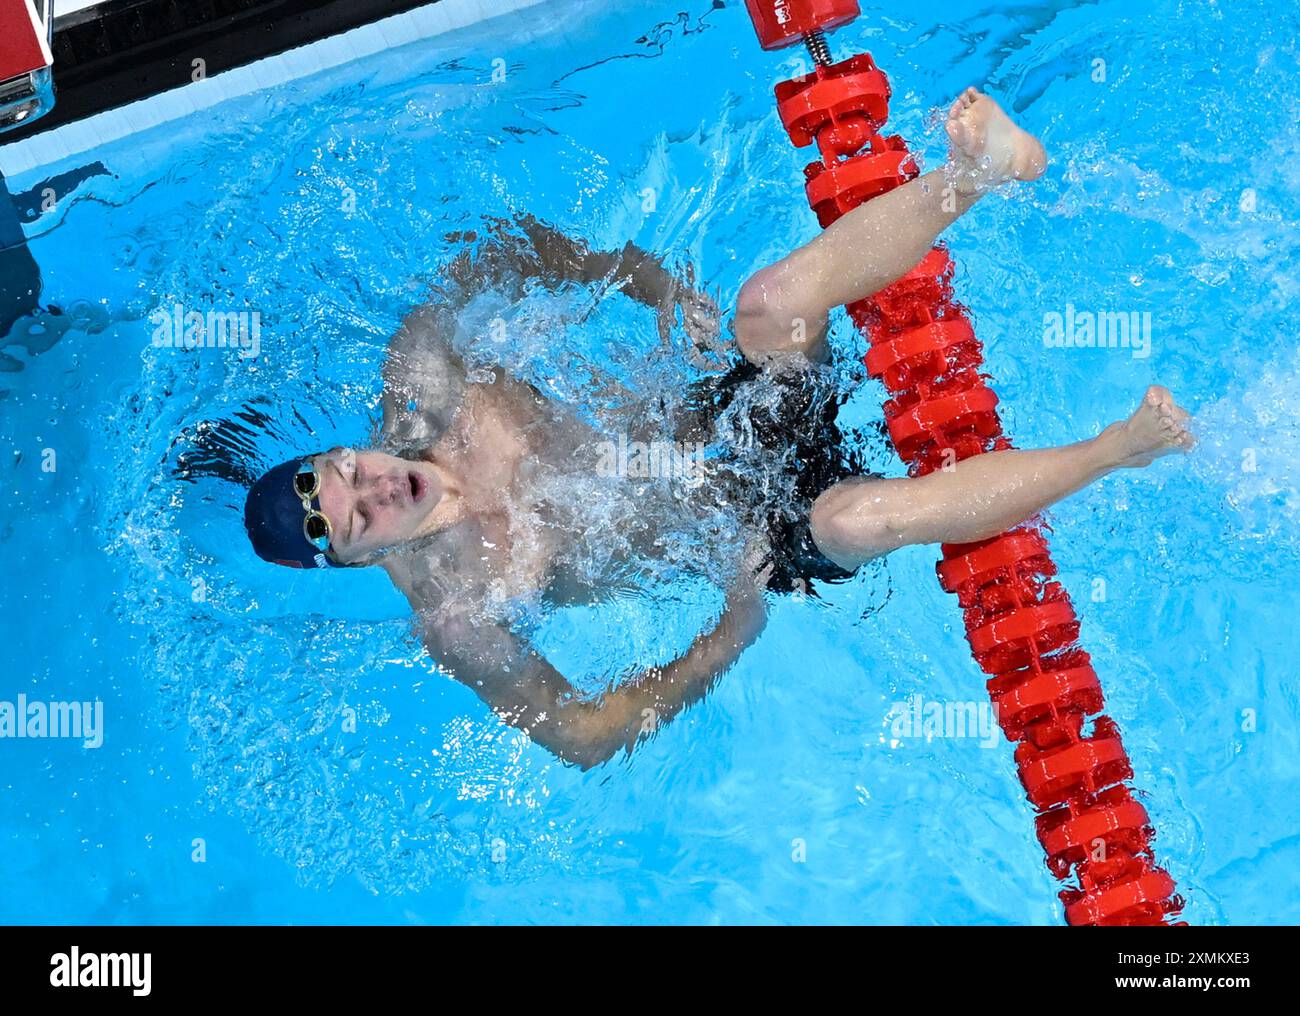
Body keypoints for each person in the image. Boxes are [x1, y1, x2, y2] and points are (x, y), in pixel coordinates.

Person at [244, 89, 1193, 768]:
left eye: (351, 470)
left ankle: (972, 175)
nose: (377, 488)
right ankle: (1123, 448)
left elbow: (505, 248)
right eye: (362, 517)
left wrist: (649, 283)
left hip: (717, 415)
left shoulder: (424, 375)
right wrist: (725, 636)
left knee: (768, 302)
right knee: (859, 525)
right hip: (758, 530)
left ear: (346, 448)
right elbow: (582, 734)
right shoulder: (458, 613)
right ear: (366, 558)